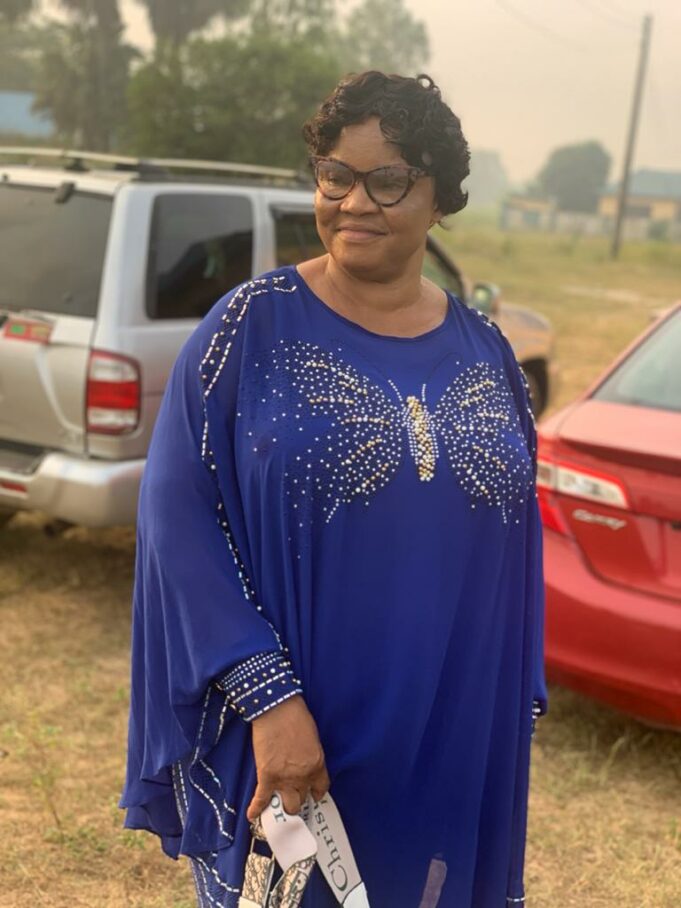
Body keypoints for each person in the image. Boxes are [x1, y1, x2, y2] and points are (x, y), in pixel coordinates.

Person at [120, 70, 548, 908]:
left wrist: (501, 711)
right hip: (297, 730)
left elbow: (512, 543)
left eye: (387, 180)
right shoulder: (249, 329)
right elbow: (177, 520)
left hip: (452, 727)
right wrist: (268, 701)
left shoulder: (487, 352)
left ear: (438, 196)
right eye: (335, 176)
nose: (354, 202)